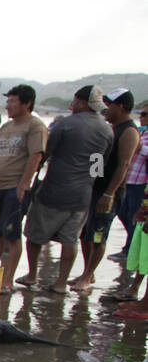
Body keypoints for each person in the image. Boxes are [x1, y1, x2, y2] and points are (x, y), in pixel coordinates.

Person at [18, 85, 114, 295]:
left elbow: (46, 154)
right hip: (82, 196)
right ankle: (61, 282)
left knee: (35, 235)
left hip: (54, 191)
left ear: (80, 102)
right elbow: (98, 167)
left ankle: (32, 274)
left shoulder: (66, 124)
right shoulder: (107, 130)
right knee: (70, 240)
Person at [69, 88, 139, 292]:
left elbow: (123, 165)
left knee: (98, 234)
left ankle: (89, 274)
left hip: (110, 192)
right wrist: (89, 182)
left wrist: (109, 193)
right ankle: (85, 273)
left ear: (121, 107)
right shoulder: (109, 128)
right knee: (85, 233)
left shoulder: (128, 131)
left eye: (110, 105)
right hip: (94, 188)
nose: (105, 108)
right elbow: (98, 159)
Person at [0, 85, 46, 293]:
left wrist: (23, 185)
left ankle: (7, 280)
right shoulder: (6, 128)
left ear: (27, 104)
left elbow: (36, 156)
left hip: (14, 188)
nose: (8, 105)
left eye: (13, 101)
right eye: (7, 101)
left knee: (12, 236)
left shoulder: (35, 126)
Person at [111, 106, 148, 262]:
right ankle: (132, 246)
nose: (141, 116)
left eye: (145, 114)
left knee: (134, 216)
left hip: (141, 182)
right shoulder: (140, 131)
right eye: (141, 113)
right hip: (127, 180)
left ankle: (130, 250)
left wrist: (140, 148)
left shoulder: (134, 133)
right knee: (123, 213)